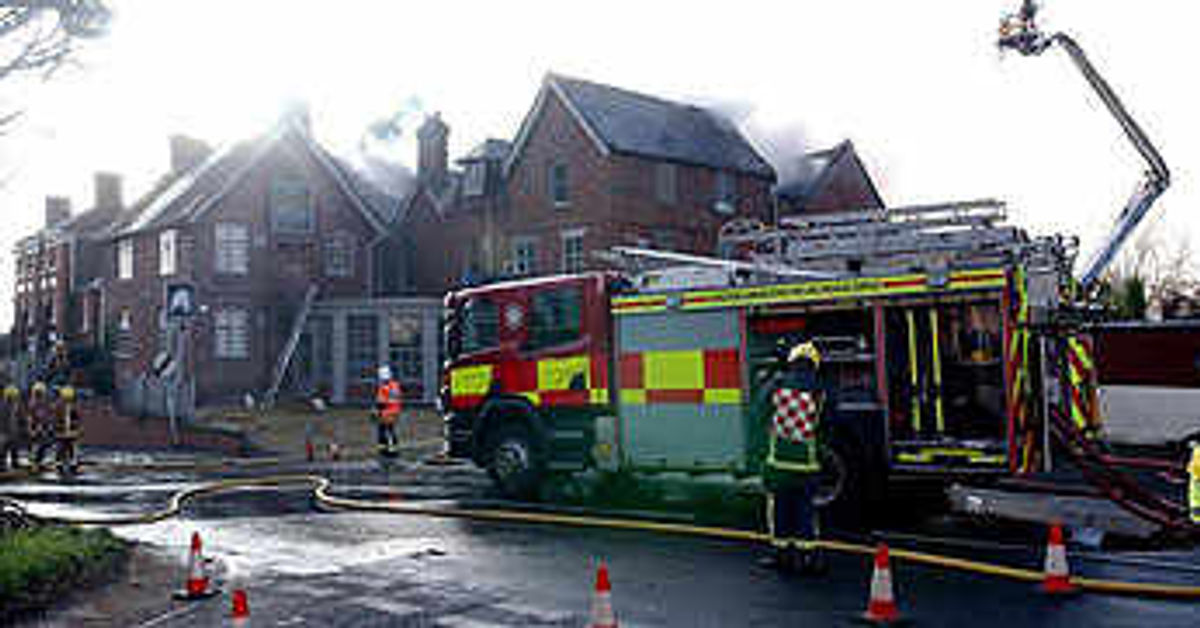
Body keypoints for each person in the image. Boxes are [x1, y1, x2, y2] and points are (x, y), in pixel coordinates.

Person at [758, 341, 827, 574]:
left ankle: (780, 555)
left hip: (778, 463)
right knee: (805, 511)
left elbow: (759, 410)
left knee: (779, 511)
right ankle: (808, 557)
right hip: (807, 465)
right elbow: (830, 422)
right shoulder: (821, 389)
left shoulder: (777, 383)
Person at [374, 365, 403, 457]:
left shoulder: (384, 387)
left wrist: (376, 411)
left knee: (383, 430)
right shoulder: (395, 385)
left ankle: (385, 449)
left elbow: (381, 402)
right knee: (391, 430)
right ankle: (392, 448)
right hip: (395, 411)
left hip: (386, 412)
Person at [53, 386, 81, 474]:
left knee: (70, 449)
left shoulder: (72, 407)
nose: (67, 401)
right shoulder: (58, 407)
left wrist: (75, 430)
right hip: (61, 433)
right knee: (61, 449)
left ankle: (72, 465)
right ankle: (60, 465)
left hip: (70, 434)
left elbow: (76, 420)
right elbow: (55, 420)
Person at [28, 382, 55, 470]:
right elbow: (31, 418)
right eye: (37, 393)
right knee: (36, 446)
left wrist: (48, 427)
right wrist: (33, 429)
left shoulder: (46, 404)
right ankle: (34, 462)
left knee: (43, 445)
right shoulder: (33, 404)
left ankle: (37, 462)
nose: (38, 395)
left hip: (43, 429)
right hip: (36, 429)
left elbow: (49, 416)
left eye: (40, 393)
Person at [1, 384, 22, 471]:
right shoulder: (3, 406)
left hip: (13, 432)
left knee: (14, 449)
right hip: (4, 432)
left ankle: (15, 464)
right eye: (13, 397)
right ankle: (2, 465)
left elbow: (19, 418)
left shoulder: (17, 406)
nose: (14, 399)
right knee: (3, 449)